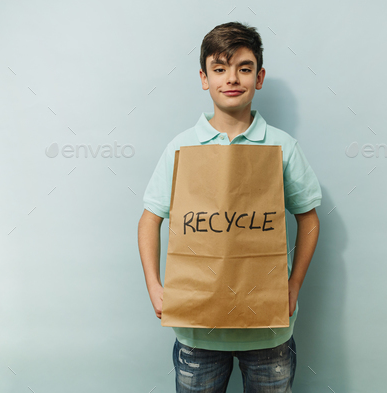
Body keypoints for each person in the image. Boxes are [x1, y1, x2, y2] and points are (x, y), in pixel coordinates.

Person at [138, 21, 321, 393]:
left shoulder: (282, 147)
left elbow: (309, 219)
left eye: (244, 68)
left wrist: (293, 285)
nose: (232, 79)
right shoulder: (181, 148)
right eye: (219, 69)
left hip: (269, 331)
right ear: (204, 78)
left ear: (260, 76)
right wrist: (153, 285)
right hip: (197, 331)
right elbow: (149, 218)